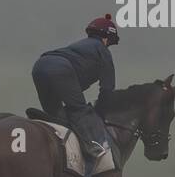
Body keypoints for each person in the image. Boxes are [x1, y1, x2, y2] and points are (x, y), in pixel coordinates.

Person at [32, 14, 119, 162]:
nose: (108, 45)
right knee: (79, 111)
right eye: (109, 42)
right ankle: (93, 147)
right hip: (60, 69)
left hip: (39, 66)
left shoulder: (79, 47)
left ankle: (52, 148)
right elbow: (107, 90)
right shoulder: (103, 51)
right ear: (106, 38)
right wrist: (99, 115)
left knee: (56, 116)